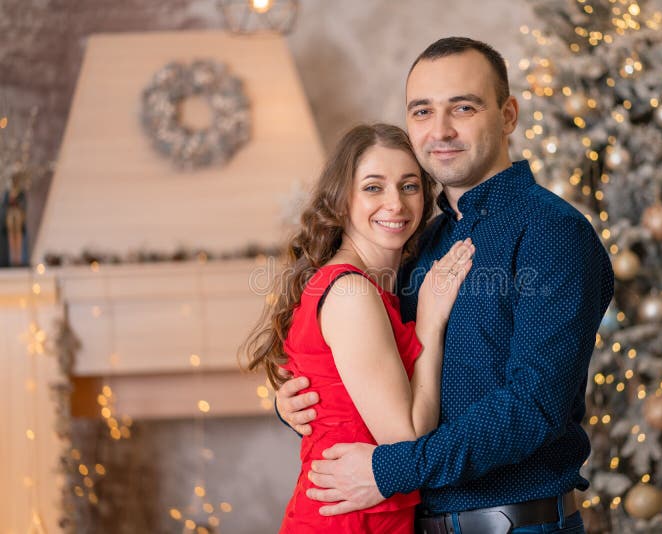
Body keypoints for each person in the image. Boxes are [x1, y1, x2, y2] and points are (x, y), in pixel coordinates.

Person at [277, 37, 615, 534]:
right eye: (422, 111)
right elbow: (372, 368)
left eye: (463, 107)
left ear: (507, 115)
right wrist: (296, 404)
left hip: (516, 525)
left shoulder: (551, 233)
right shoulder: (420, 241)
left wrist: (390, 470)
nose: (440, 130)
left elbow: (532, 407)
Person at [241, 123, 475, 533]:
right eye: (373, 187)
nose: (395, 204)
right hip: (346, 523)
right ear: (341, 200)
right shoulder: (351, 293)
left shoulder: (377, 284)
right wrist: (431, 322)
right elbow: (406, 441)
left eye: (409, 186)